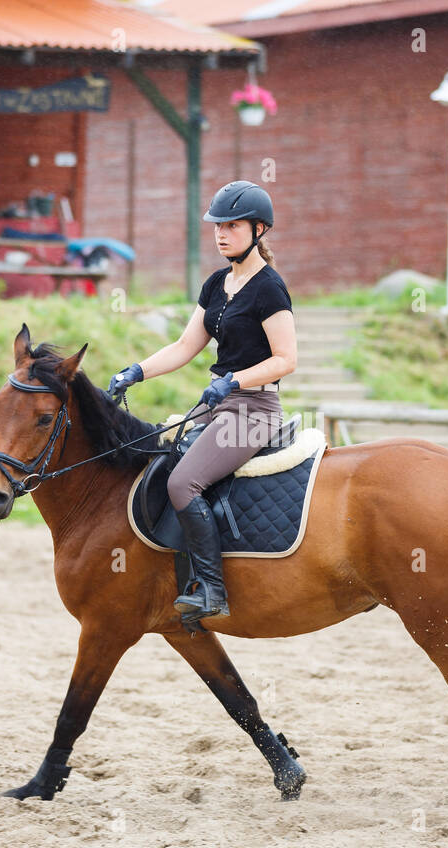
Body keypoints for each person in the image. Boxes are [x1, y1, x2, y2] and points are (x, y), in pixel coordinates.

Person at [107, 180, 296, 624]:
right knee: (156, 460)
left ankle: (211, 589)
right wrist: (136, 370)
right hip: (220, 404)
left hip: (254, 411)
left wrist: (233, 381)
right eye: (216, 225)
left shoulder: (270, 288)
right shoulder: (217, 284)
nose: (221, 233)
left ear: (259, 229)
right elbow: (183, 346)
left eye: (232, 225)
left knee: (182, 483)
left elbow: (287, 359)